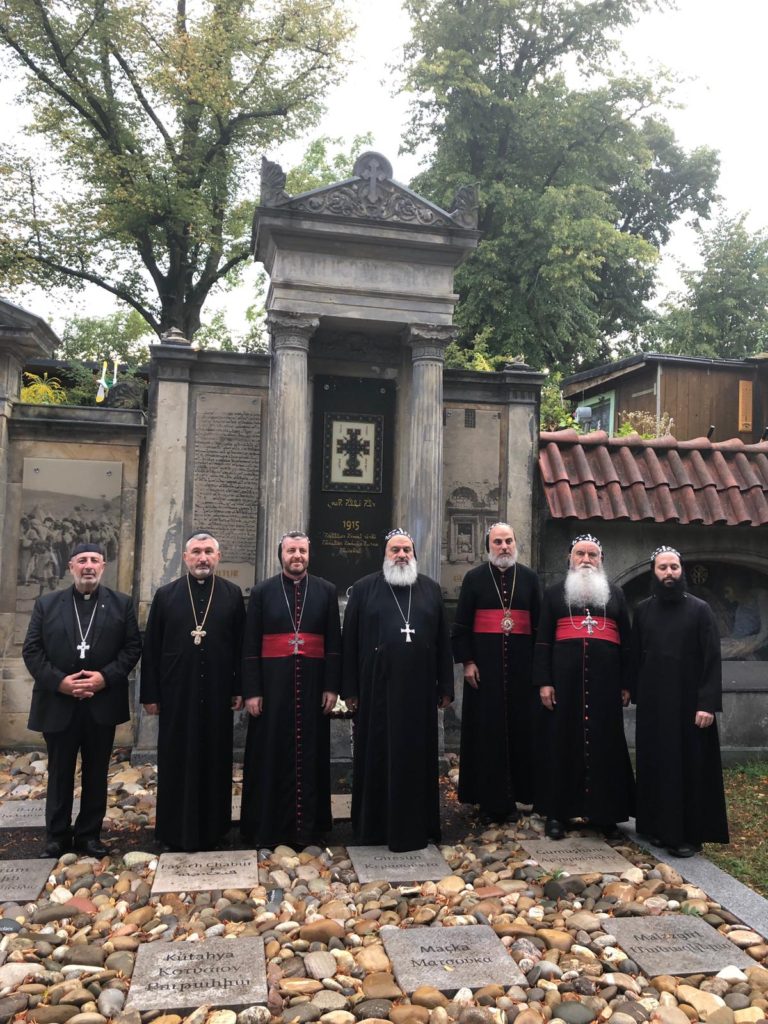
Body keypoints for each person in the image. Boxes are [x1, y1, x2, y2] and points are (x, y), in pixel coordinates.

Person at [23, 542, 142, 858]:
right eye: (82, 561)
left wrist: (104, 678)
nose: (88, 566)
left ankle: (89, 835)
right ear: (71, 567)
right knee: (60, 771)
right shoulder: (47, 604)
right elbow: (32, 650)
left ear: (103, 566)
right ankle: (56, 836)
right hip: (59, 702)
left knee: (96, 772)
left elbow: (132, 648)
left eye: (94, 560)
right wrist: (60, 682)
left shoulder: (121, 604)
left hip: (100, 703)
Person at [341, 529, 454, 851]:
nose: (402, 555)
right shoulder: (364, 589)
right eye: (395, 550)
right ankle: (373, 828)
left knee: (416, 757)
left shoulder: (431, 590)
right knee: (376, 754)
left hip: (419, 691)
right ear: (385, 554)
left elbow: (442, 642)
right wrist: (349, 689)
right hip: (376, 689)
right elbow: (349, 642)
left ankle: (419, 826)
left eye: (407, 549)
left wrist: (446, 685)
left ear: (414, 554)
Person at [141, 532, 245, 852]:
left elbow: (241, 646)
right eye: (196, 552)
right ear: (185, 558)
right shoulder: (166, 595)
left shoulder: (231, 594)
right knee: (176, 760)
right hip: (177, 695)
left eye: (209, 552)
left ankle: (215, 830)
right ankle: (173, 831)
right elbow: (152, 648)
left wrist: (239, 688)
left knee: (216, 758)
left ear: (218, 556)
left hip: (217, 694)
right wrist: (150, 695)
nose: (203, 558)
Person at [240, 531, 341, 848]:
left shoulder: (326, 590)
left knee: (311, 752)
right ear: (280, 554)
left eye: (302, 551)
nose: (296, 556)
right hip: (273, 686)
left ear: (309, 555)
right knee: (270, 752)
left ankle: (312, 827)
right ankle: (267, 826)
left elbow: (334, 646)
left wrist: (331, 687)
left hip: (313, 685)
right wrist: (253, 690)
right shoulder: (261, 591)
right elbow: (250, 645)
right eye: (291, 551)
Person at [533, 534, 634, 840]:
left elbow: (627, 643)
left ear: (601, 559)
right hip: (564, 686)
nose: (586, 560)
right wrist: (544, 682)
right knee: (561, 744)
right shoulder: (553, 594)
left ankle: (606, 815)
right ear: (570, 558)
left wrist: (627, 683)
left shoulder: (615, 595)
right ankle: (557, 814)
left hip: (606, 687)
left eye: (593, 554)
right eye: (580, 554)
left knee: (607, 746)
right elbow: (542, 641)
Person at [631, 546, 729, 857]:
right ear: (654, 572)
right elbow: (635, 656)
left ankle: (688, 835)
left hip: (690, 707)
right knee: (657, 766)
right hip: (654, 706)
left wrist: (707, 704)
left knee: (688, 769)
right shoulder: (643, 610)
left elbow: (712, 660)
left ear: (681, 571)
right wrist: (629, 690)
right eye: (663, 568)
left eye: (674, 567)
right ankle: (658, 828)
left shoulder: (700, 610)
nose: (670, 573)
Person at [451, 522, 540, 823]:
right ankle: (489, 801)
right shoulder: (474, 579)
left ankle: (521, 793)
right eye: (497, 542)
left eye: (508, 541)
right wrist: (468, 662)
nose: (504, 547)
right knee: (486, 734)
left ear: (516, 544)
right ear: (487, 546)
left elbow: (539, 630)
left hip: (521, 672)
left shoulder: (529, 579)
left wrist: (539, 670)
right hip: (484, 673)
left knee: (521, 731)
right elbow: (461, 626)